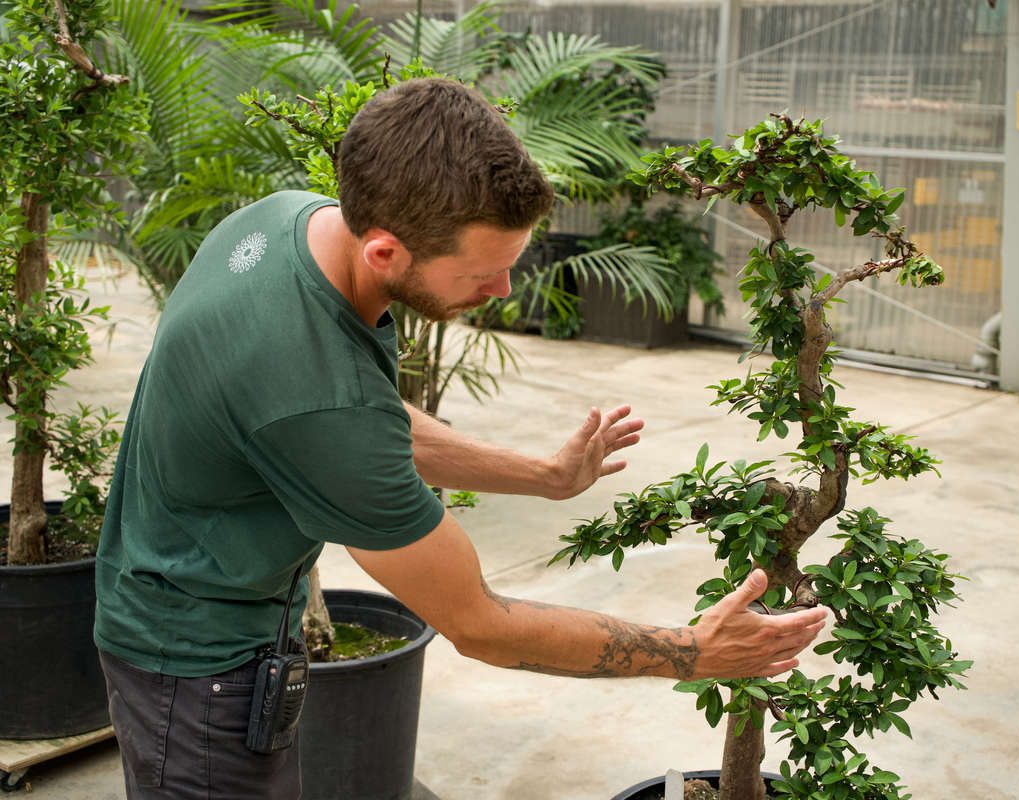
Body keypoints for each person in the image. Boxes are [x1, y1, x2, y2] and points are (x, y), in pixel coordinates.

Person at [93, 78, 826, 799]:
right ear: (385, 251)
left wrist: (543, 474)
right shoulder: (314, 392)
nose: (505, 290)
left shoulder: (290, 224)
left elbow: (362, 422)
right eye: (485, 272)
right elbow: (480, 623)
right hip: (193, 673)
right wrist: (693, 652)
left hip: (193, 611)